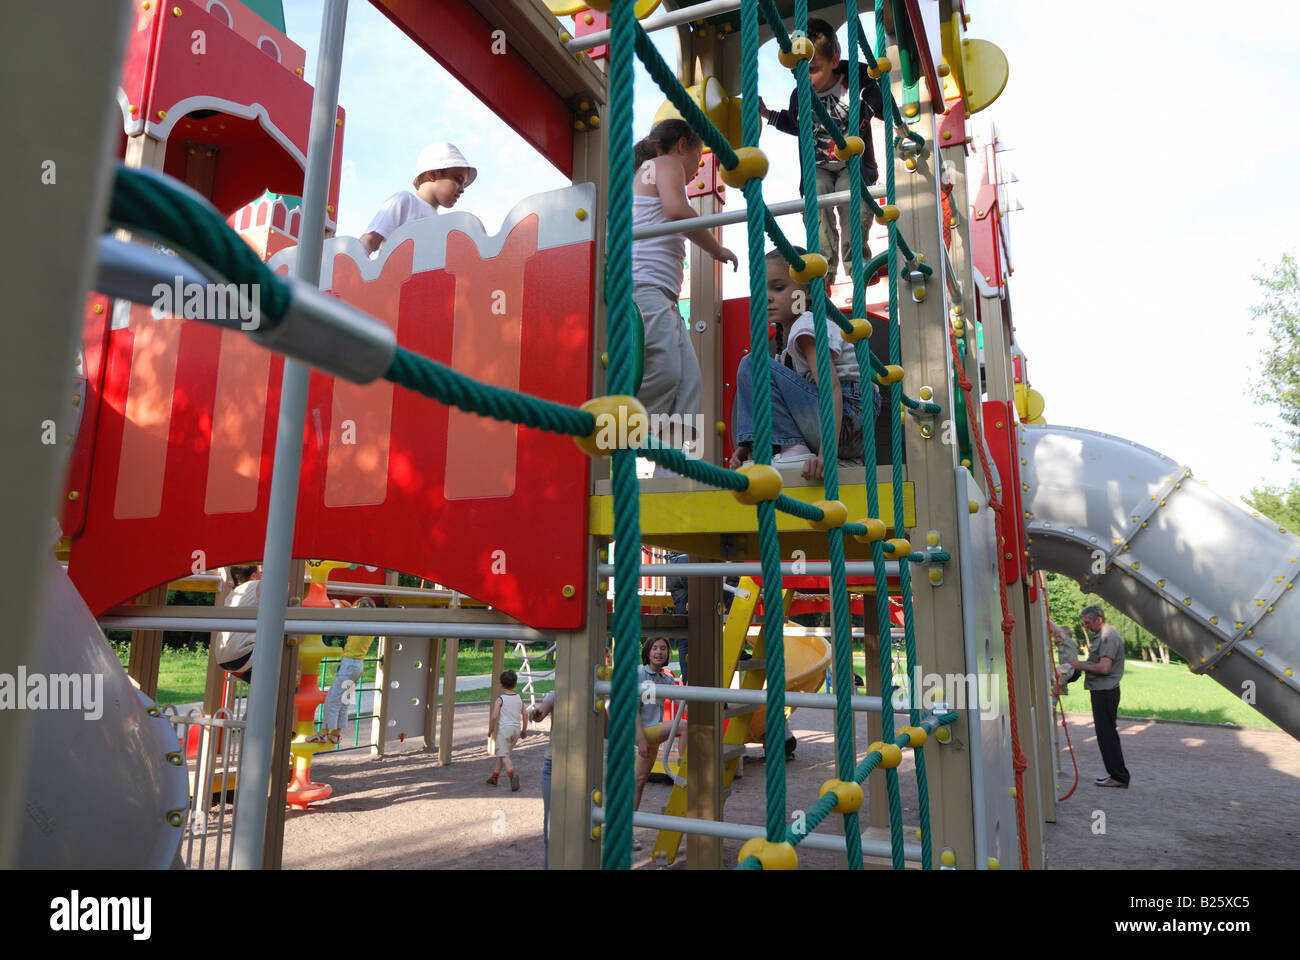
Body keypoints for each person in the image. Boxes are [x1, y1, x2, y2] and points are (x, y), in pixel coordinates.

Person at [633, 119, 738, 471]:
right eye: (698, 157)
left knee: (690, 384)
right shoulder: (664, 164)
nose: (697, 170)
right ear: (681, 146)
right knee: (662, 374)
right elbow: (678, 210)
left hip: (663, 297)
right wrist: (715, 248)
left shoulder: (654, 169)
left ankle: (670, 474)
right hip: (641, 288)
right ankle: (623, 430)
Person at [729, 248, 879, 480]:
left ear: (806, 292)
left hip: (847, 416)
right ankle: (775, 450)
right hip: (854, 433)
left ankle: (794, 452)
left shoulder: (807, 326)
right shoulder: (788, 348)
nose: (766, 297)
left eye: (778, 288)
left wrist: (826, 454)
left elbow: (832, 388)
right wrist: (748, 445)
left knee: (753, 363)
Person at [760, 18, 883, 287]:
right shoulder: (800, 95)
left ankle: (857, 263)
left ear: (834, 60)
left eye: (813, 69)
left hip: (853, 163)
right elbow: (796, 125)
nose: (807, 77)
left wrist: (875, 98)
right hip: (818, 165)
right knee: (817, 204)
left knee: (855, 202)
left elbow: (880, 102)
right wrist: (768, 114)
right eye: (800, 71)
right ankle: (825, 268)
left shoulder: (857, 80)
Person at [359, 142, 476, 255]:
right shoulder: (405, 201)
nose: (462, 189)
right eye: (458, 180)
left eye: (464, 184)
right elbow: (370, 240)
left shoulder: (441, 225)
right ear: (432, 175)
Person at [1070, 605, 1130, 788]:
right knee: (1105, 734)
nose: (1085, 626)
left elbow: (1104, 668)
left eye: (1087, 622)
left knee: (1107, 735)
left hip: (1105, 691)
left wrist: (1080, 665)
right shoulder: (1103, 635)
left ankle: (1119, 776)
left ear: (1099, 620)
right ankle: (1116, 774)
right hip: (1102, 690)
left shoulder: (1107, 637)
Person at [634, 638, 685, 850]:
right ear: (647, 652)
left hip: (654, 732)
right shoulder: (639, 673)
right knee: (684, 726)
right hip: (642, 731)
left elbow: (682, 706)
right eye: (655, 648)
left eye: (663, 648)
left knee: (639, 781)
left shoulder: (666, 679)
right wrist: (642, 739)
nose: (659, 652)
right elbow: (631, 708)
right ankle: (685, 766)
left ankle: (624, 830)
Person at [306, 597, 377, 746]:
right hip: (358, 666)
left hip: (349, 665)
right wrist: (350, 605)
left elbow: (339, 605)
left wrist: (335, 601)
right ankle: (336, 734)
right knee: (344, 702)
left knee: (331, 702)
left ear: (358, 610)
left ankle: (323, 734)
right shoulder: (371, 624)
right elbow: (346, 605)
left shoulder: (357, 622)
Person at [212, 564, 261, 683]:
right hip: (243, 654)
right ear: (253, 576)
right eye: (261, 569)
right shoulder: (258, 584)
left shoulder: (232, 594)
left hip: (224, 658)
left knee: (268, 684)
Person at [487, 670, 527, 791]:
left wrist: (491, 729)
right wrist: (524, 730)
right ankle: (495, 776)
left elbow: (494, 716)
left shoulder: (500, 699)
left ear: (501, 684)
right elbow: (525, 714)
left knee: (503, 754)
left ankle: (511, 774)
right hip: (516, 730)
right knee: (503, 753)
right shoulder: (519, 698)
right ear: (515, 684)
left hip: (505, 730)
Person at [529, 690, 556, 868]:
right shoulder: (555, 694)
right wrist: (537, 713)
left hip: (580, 769)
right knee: (550, 832)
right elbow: (542, 710)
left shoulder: (594, 695)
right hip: (552, 766)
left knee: (577, 830)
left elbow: (607, 731)